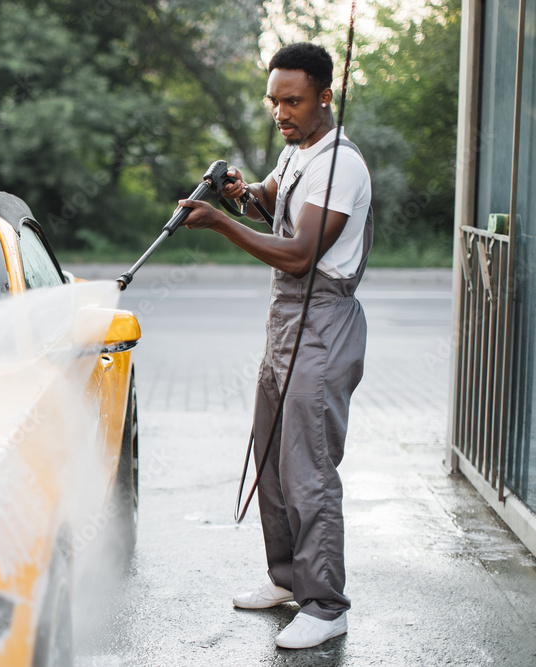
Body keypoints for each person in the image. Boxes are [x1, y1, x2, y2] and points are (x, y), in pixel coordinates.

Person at [178, 42, 372, 649]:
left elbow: (301, 251)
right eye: (274, 101)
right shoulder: (296, 153)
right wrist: (241, 195)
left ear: (324, 96)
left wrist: (220, 223)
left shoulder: (341, 166)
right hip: (286, 317)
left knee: (308, 465)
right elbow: (271, 202)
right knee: (271, 454)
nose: (281, 112)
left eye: (293, 101)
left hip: (324, 319)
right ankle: (288, 580)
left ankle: (325, 603)